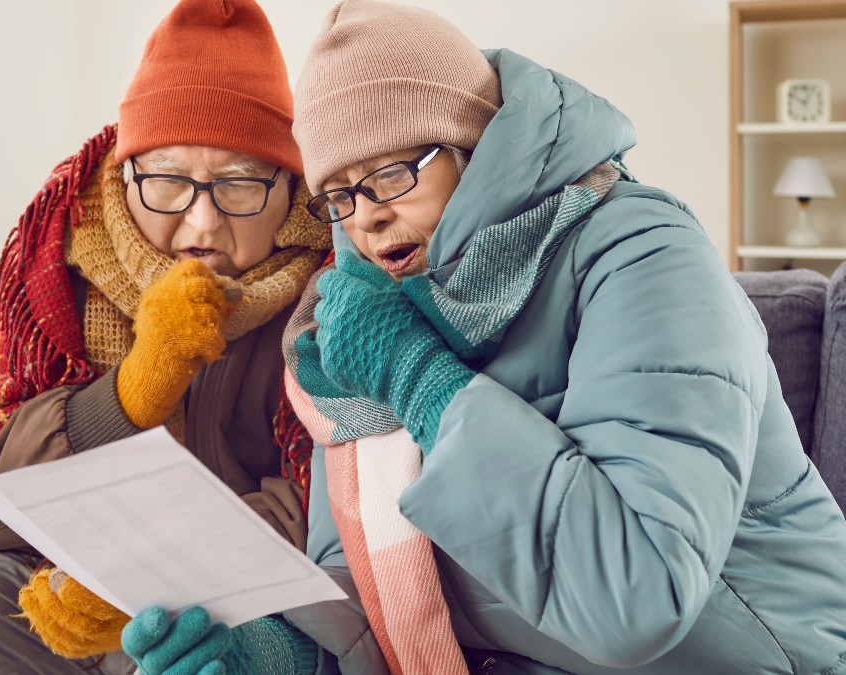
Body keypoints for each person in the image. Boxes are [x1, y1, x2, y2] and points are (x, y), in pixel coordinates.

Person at [269, 1, 846, 674]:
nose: (367, 217)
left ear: (477, 147)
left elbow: (638, 597)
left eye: (392, 171)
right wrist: (274, 650)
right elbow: (367, 574)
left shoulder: (644, 253)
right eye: (338, 193)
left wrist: (421, 380)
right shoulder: (362, 310)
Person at [0, 1, 334, 673]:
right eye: (166, 178)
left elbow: (330, 515)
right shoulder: (55, 252)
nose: (202, 224)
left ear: (290, 184)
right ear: (125, 173)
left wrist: (146, 578)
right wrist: (132, 393)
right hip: (50, 580)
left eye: (240, 183)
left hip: (235, 603)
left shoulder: (330, 282)